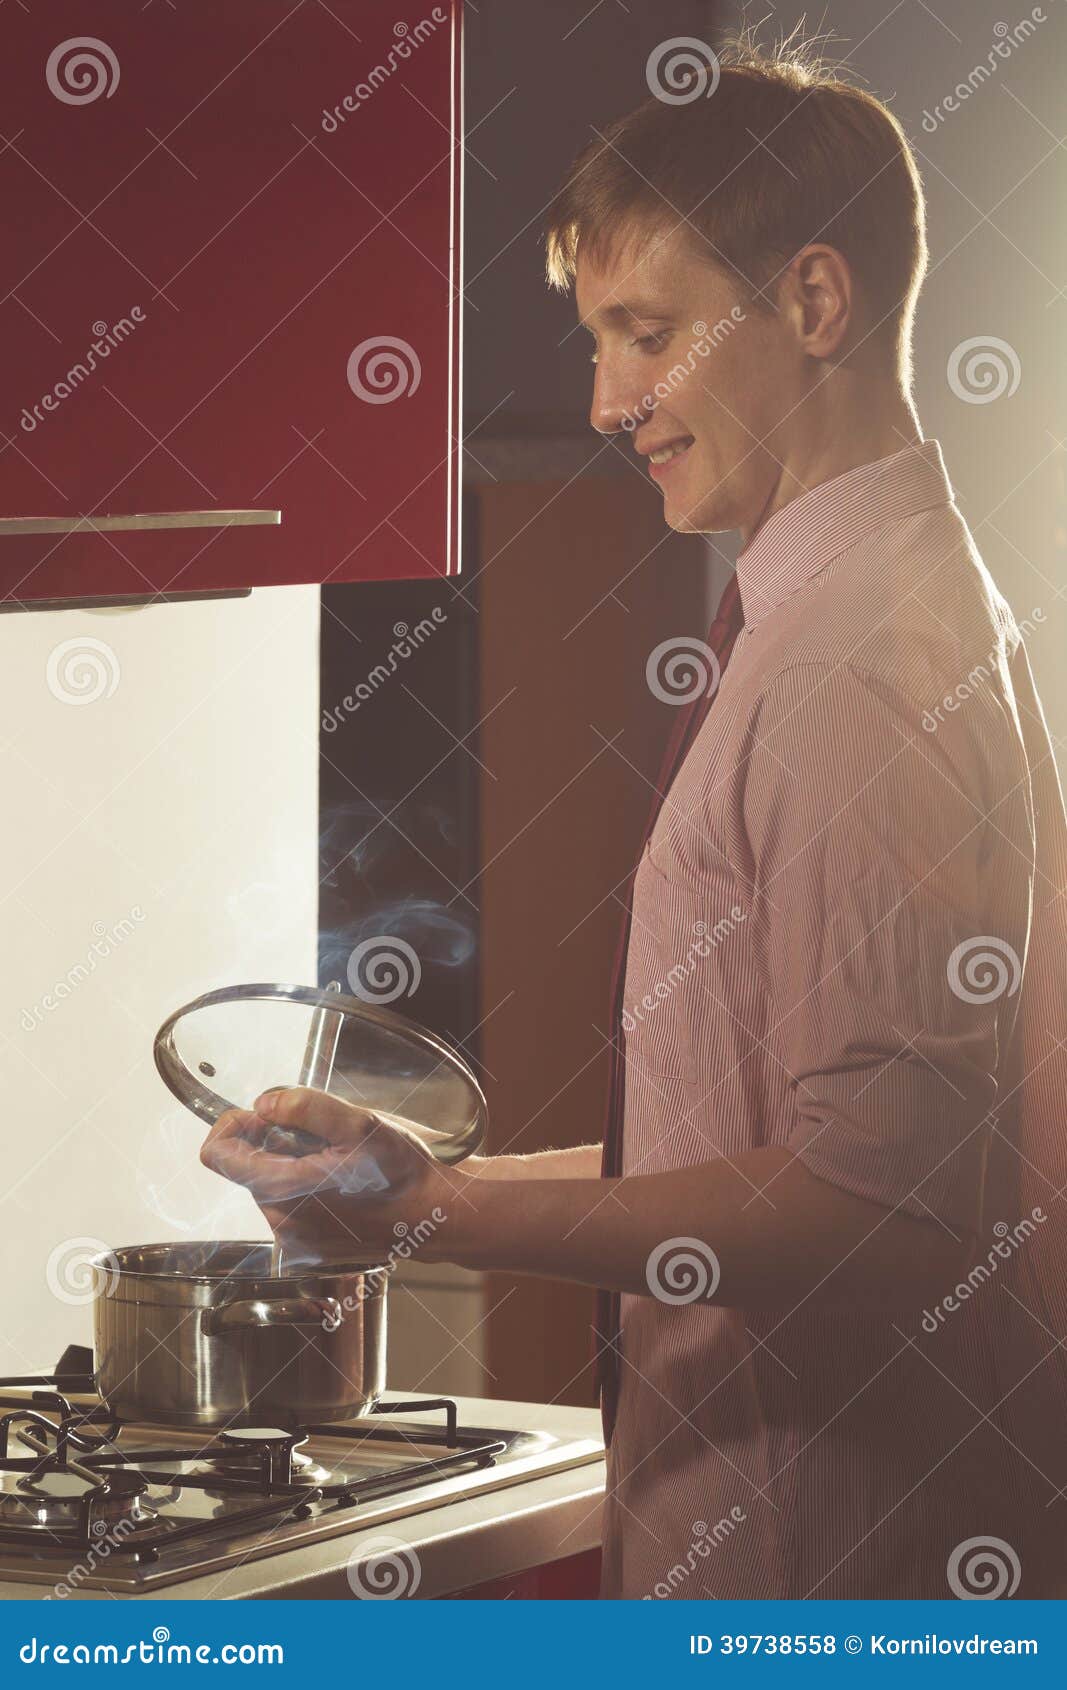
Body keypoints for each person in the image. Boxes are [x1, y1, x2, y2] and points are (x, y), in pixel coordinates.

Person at [201, 31, 1067, 1600]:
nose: (606, 402)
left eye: (646, 335)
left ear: (814, 303)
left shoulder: (852, 667)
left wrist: (443, 1211)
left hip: (814, 1580)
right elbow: (763, 1143)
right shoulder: (887, 610)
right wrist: (412, 1180)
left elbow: (883, 1215)